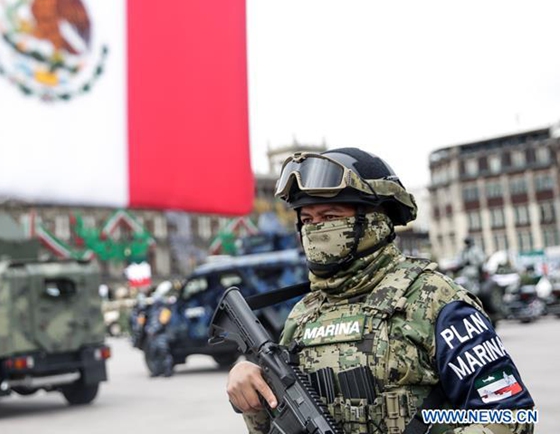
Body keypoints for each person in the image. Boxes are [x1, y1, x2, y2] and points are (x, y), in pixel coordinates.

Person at [226, 148, 535, 434]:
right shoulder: (304, 315)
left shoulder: (436, 300)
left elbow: (511, 417)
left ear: (374, 221)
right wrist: (248, 393)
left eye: (330, 217)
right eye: (307, 219)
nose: (315, 230)